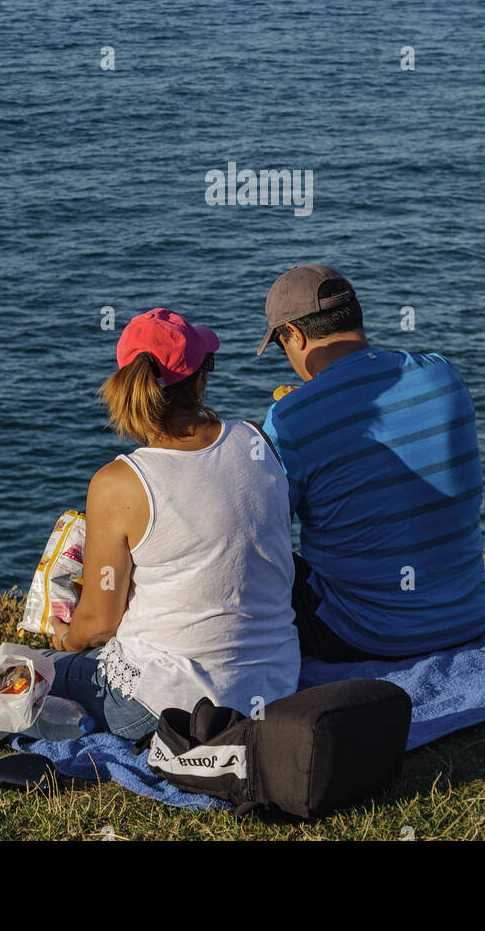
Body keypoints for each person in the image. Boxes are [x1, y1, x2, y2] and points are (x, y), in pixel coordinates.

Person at [36, 308, 301, 740]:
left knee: (35, 671)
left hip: (167, 707)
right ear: (199, 381)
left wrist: (65, 640)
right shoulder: (255, 440)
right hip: (273, 686)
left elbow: (100, 625)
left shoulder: (119, 483)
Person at [258, 264, 485, 662]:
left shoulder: (291, 419)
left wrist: (300, 418)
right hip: (470, 615)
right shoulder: (443, 373)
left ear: (294, 336)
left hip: (363, 636)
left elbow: (268, 530)